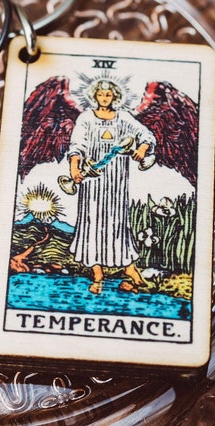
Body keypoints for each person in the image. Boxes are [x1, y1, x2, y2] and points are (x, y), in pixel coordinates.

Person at [68, 79, 155, 294]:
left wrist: (142, 149)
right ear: (94, 96)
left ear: (114, 96)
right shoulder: (86, 118)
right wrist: (74, 167)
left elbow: (146, 134)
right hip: (92, 181)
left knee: (117, 223)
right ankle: (97, 275)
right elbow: (77, 144)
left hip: (116, 182)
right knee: (92, 223)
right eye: (101, 94)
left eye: (108, 95)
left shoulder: (123, 117)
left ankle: (130, 270)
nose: (104, 98)